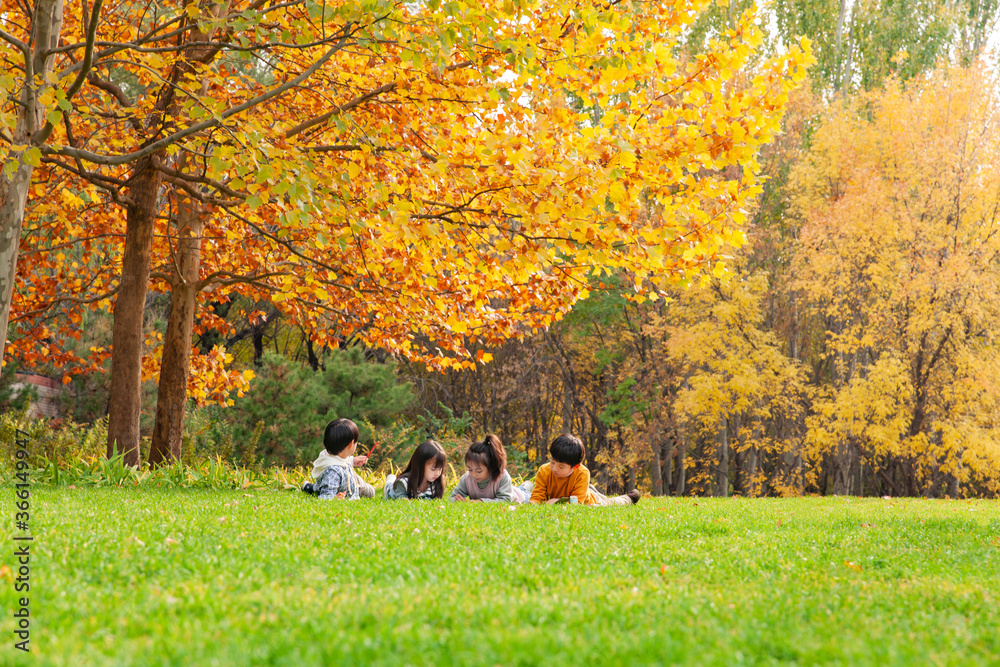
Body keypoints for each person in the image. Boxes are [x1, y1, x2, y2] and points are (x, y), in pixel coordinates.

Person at [529, 434, 640, 506]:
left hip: (588, 501)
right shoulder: (544, 471)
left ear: (575, 466)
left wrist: (557, 503)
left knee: (609, 503)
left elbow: (576, 504)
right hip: (577, 492)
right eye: (552, 462)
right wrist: (534, 504)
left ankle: (630, 498)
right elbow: (536, 497)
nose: (554, 468)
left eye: (561, 467)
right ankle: (589, 488)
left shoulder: (582, 473)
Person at [301, 418, 375, 500]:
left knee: (370, 491)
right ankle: (311, 488)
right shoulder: (333, 472)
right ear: (351, 444)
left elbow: (341, 460)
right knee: (319, 489)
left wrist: (353, 461)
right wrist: (335, 498)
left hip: (346, 485)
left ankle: (310, 487)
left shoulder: (335, 456)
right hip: (338, 487)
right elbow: (326, 496)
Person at [450, 434, 532, 503]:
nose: (474, 474)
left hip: (519, 497)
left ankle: (525, 487)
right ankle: (523, 486)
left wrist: (481, 501)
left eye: (479, 471)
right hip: (508, 489)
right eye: (470, 469)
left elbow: (505, 500)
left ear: (491, 467)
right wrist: (457, 500)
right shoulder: (467, 479)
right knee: (515, 488)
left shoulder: (502, 476)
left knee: (523, 492)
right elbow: (452, 498)